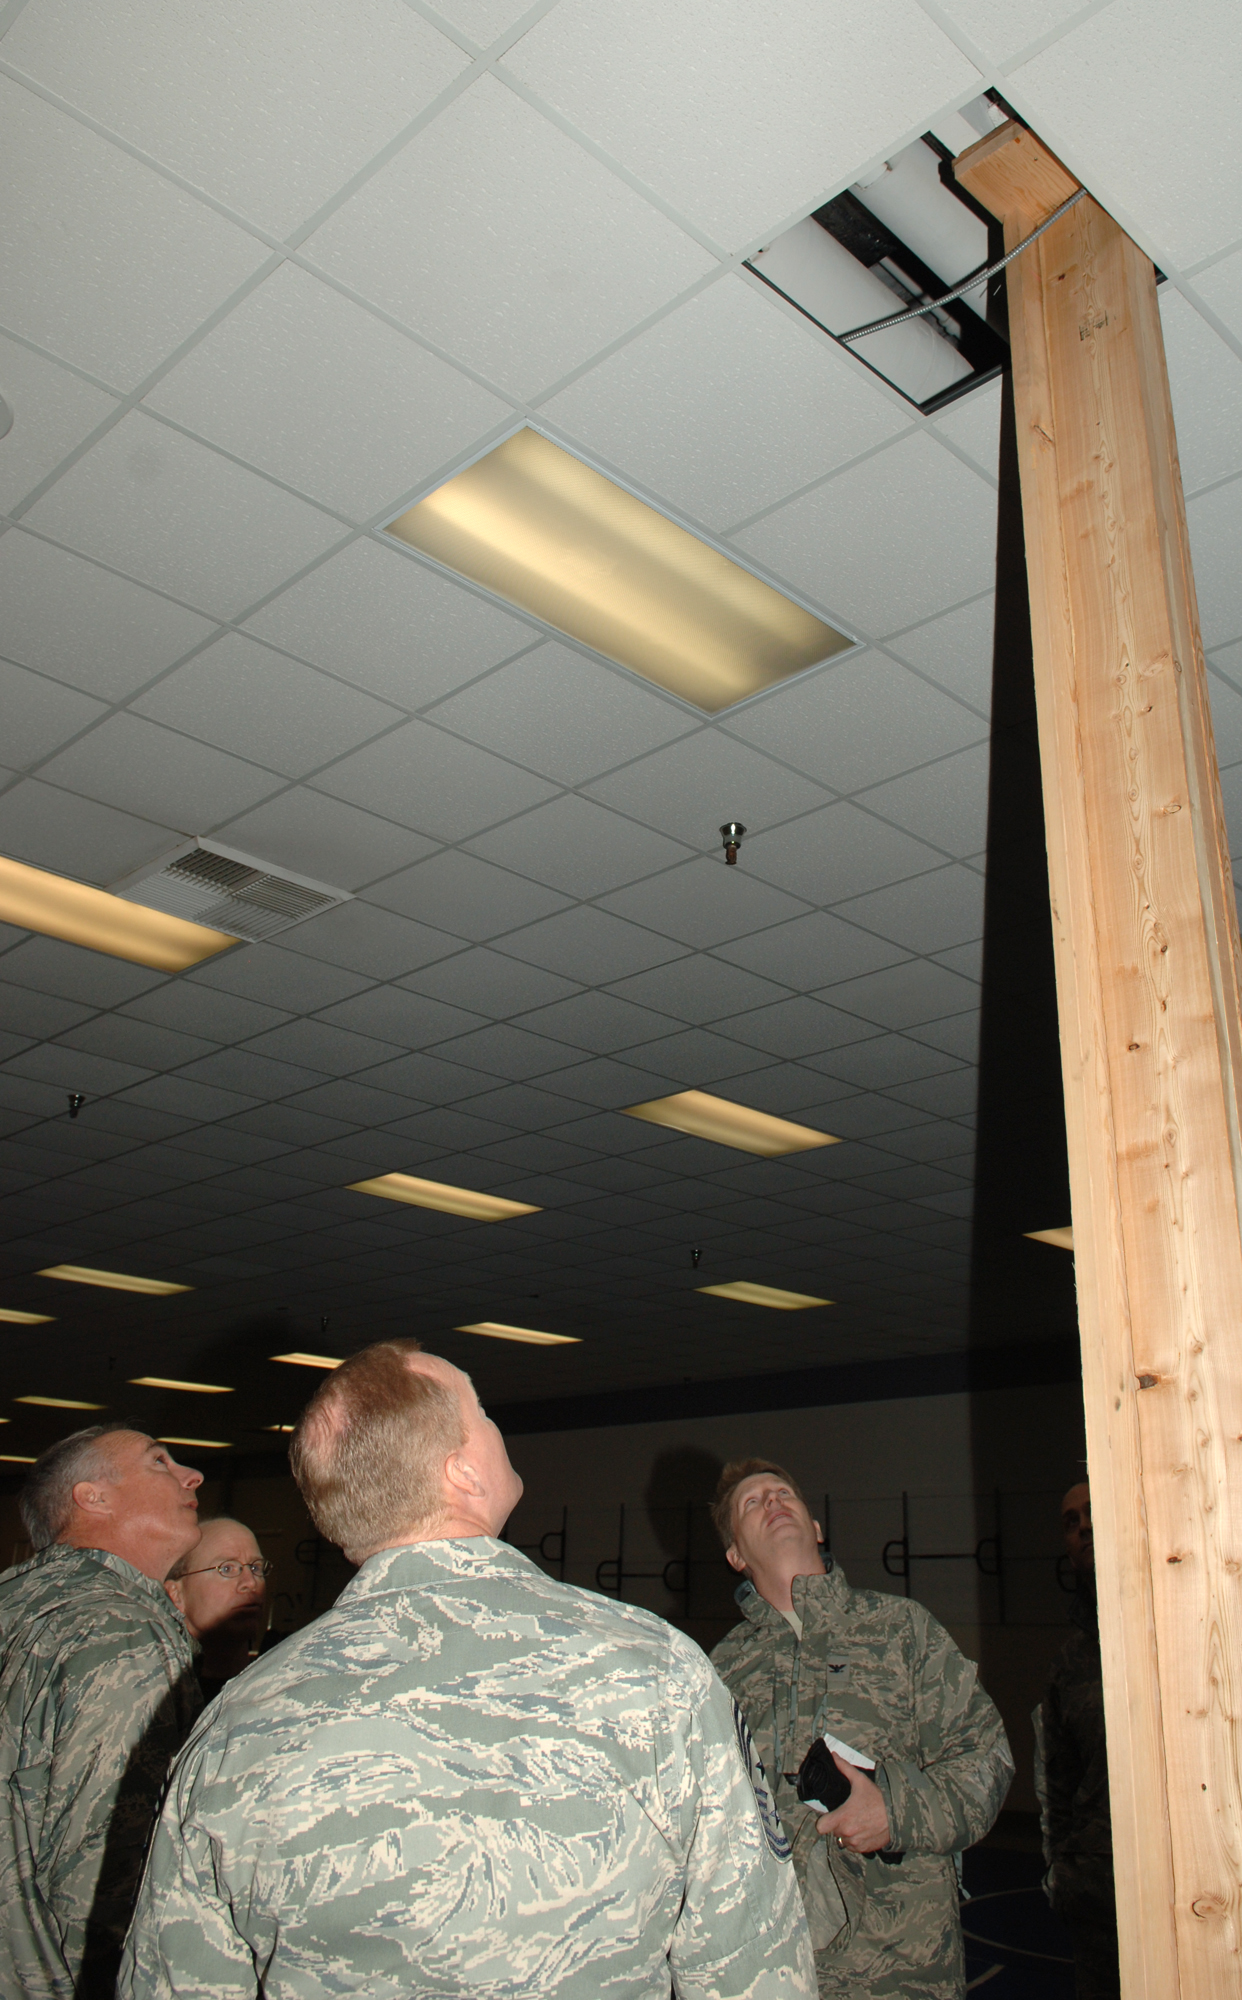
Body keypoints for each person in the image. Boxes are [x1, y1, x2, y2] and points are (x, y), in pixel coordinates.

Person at [121, 1340, 816, 1999]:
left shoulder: (239, 1723)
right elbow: (754, 1969)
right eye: (480, 1412)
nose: (493, 1423)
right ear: (464, 1473)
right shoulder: (653, 1670)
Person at [710, 1459, 1013, 2000]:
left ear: (816, 1527)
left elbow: (987, 1757)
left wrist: (893, 1811)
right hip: (770, 1974)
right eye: (752, 1503)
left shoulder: (900, 1628)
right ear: (736, 1555)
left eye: (783, 1493)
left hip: (901, 1972)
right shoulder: (721, 1671)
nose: (773, 1502)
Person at [0, 1425, 204, 1999]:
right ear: (93, 1497)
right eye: (159, 1461)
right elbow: (100, 1880)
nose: (193, 1476)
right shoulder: (121, 1631)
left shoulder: (17, 1603)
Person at [1036, 1480, 1118, 1998]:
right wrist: (1064, 1874)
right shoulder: (1070, 1662)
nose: (1083, 1526)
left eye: (1091, 1512)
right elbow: (1059, 1783)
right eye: (1071, 1522)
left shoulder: (1179, 1621)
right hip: (1099, 1900)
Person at [165, 1515, 270, 1702]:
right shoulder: (156, 1696)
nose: (250, 1582)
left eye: (255, 1568)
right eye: (227, 1569)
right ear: (176, 1593)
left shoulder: (276, 1689)